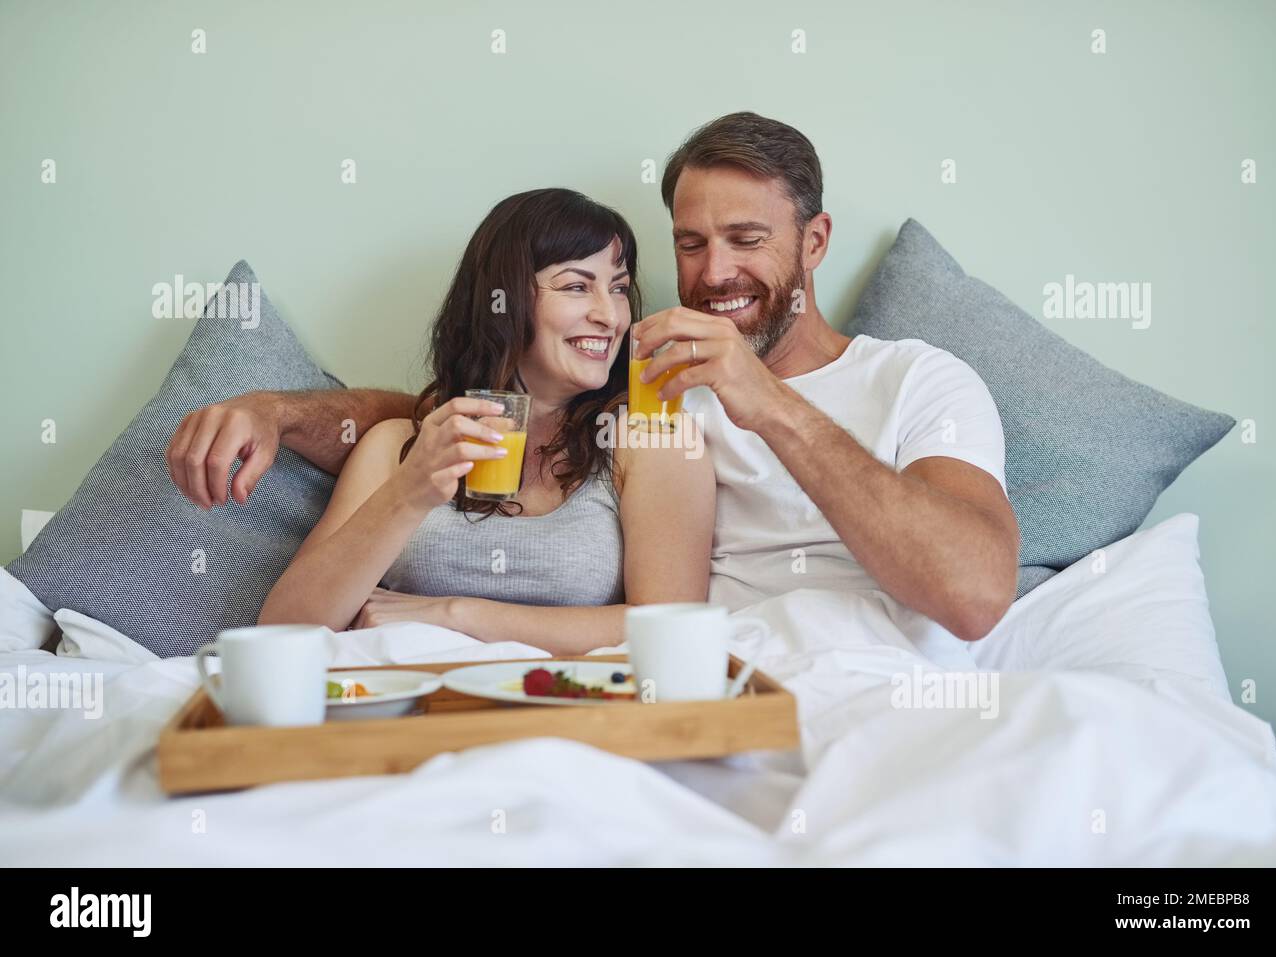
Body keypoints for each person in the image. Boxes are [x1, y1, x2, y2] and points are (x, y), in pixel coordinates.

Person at [169, 113, 1018, 651]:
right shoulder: (655, 394)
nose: (714, 271)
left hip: (851, 689)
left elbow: (975, 594)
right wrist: (276, 411)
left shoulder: (918, 381)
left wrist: (767, 405)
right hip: (674, 690)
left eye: (746, 238)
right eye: (690, 242)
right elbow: (438, 414)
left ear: (816, 240)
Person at [242, 188, 713, 654]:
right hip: (414, 705)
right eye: (575, 286)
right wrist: (409, 493)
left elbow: (671, 626)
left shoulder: (651, 440)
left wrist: (458, 614)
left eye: (617, 288)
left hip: (569, 708)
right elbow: (284, 630)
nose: (609, 316)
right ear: (504, 301)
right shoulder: (398, 445)